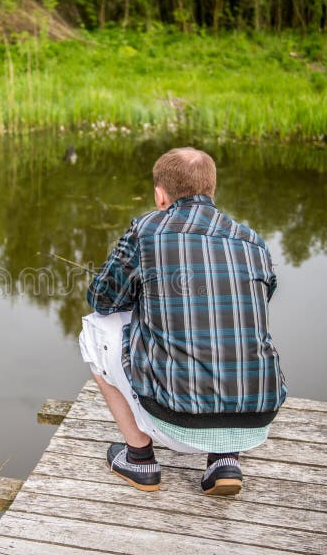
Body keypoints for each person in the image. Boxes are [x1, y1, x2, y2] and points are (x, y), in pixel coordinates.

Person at [79, 147, 286, 495]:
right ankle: (224, 460)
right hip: (256, 420)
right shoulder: (252, 241)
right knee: (231, 319)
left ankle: (139, 458)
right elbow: (263, 298)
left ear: (160, 196)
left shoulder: (147, 230)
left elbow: (101, 299)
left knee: (95, 327)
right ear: (212, 189)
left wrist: (146, 298)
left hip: (176, 419)